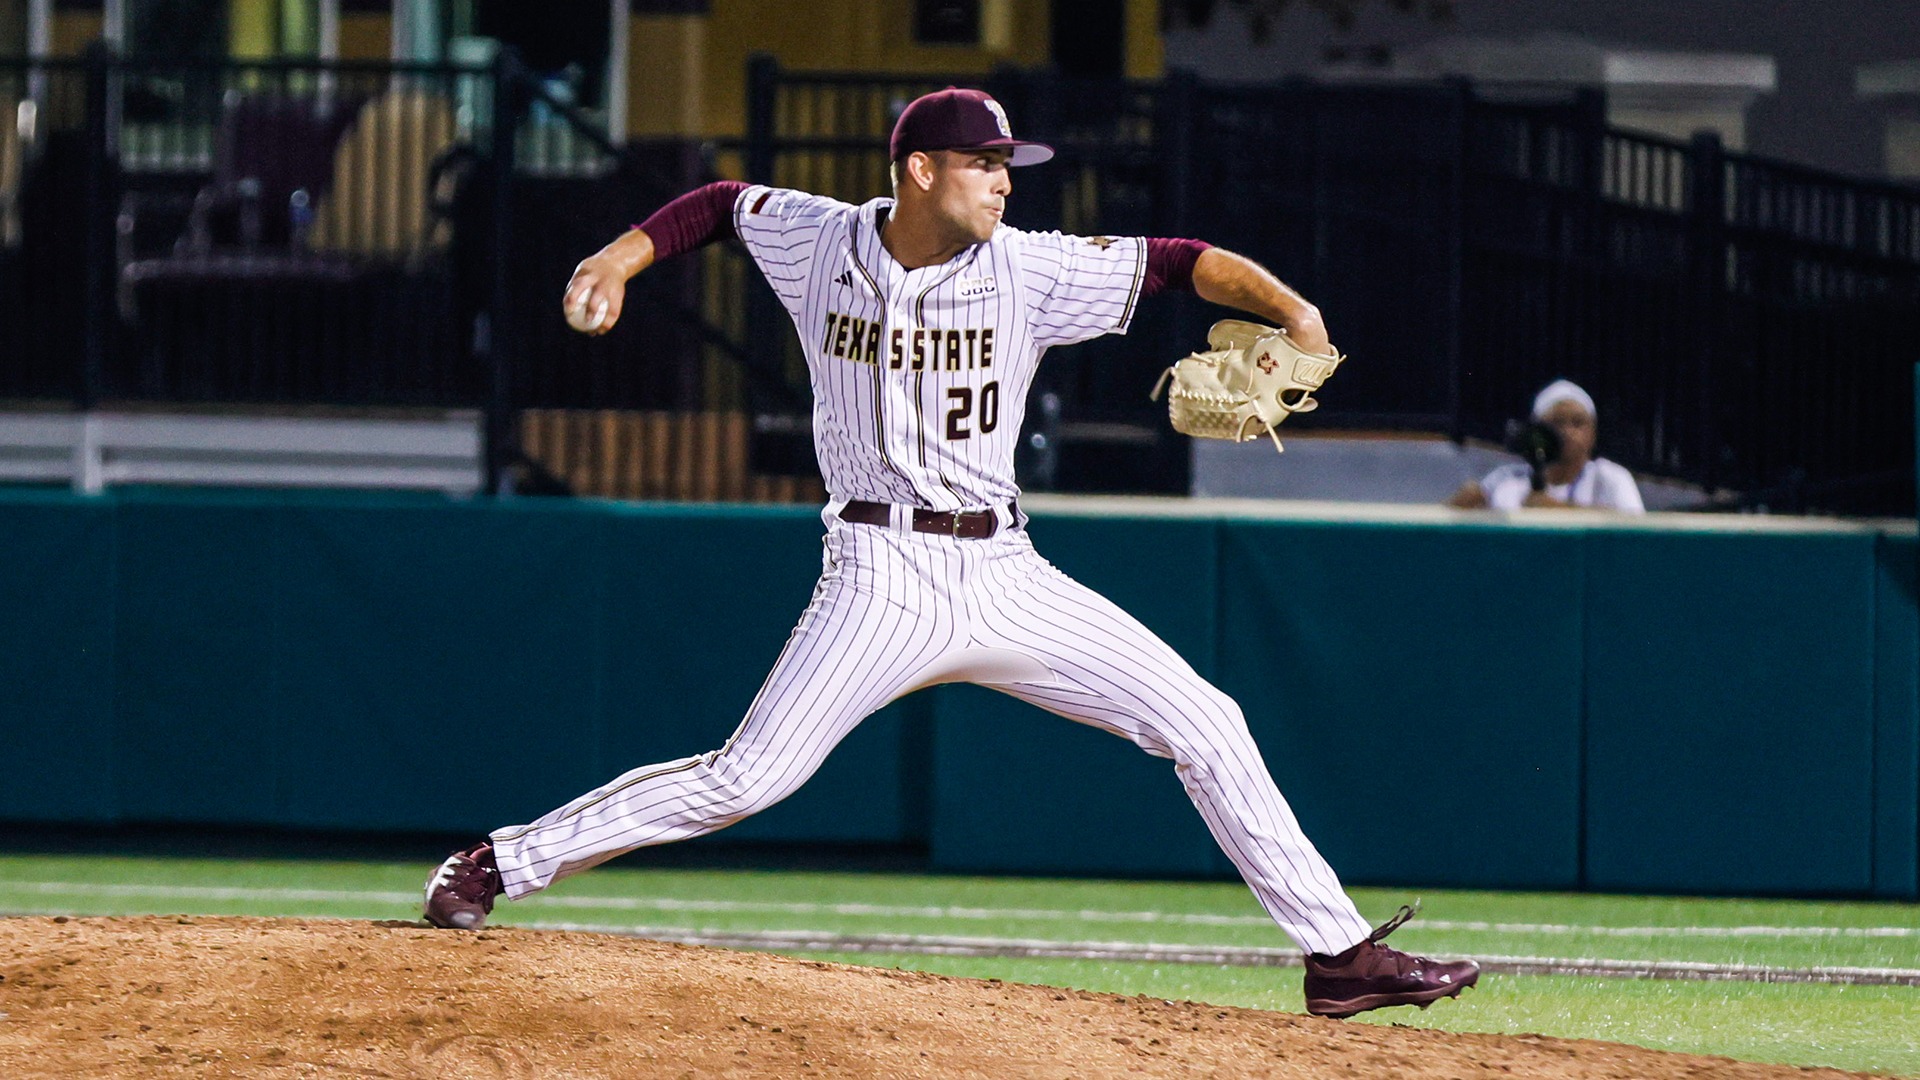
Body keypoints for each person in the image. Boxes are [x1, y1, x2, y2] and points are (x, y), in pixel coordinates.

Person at [423, 86, 1479, 1019]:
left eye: (1009, 166)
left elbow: (1178, 264)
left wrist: (1292, 308)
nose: (1006, 184)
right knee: (747, 778)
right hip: (878, 574)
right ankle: (496, 862)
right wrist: (618, 255)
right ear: (921, 171)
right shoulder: (821, 240)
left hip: (1006, 574)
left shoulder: (1028, 269)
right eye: (986, 164)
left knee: (1206, 719)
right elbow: (716, 204)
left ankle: (1338, 957)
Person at [1449, 379, 1645, 512]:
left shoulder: (1610, 478)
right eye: (1557, 423)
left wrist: (1555, 511)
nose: (1568, 432)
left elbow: (1634, 531)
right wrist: (1460, 505)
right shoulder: (1504, 479)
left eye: (1577, 423)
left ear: (1593, 434)